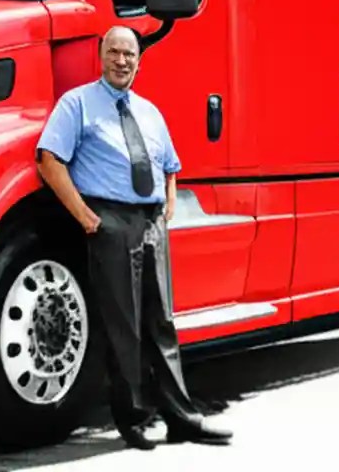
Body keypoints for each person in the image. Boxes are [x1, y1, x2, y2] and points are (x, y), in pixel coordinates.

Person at [35, 26, 232, 450]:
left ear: (139, 61)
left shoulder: (149, 112)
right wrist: (86, 217)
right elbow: (48, 159)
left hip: (150, 224)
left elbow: (171, 166)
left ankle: (182, 417)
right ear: (101, 56)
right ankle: (134, 419)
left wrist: (168, 209)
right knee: (123, 325)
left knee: (161, 322)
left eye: (129, 54)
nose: (122, 61)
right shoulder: (78, 104)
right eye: (115, 52)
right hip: (109, 220)